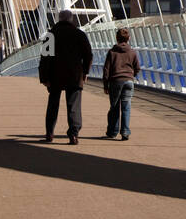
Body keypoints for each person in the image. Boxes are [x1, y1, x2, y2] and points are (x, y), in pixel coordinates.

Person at [38, 10, 92, 144]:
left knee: (53, 104)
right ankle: (74, 134)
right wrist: (85, 72)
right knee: (74, 105)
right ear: (71, 19)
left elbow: (44, 58)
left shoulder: (50, 35)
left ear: (58, 19)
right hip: (75, 75)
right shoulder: (79, 34)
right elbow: (88, 55)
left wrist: (44, 78)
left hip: (54, 75)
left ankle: (49, 133)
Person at [102, 28, 141, 141]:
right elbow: (137, 68)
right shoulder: (132, 52)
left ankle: (112, 132)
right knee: (126, 107)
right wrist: (131, 75)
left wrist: (105, 85)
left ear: (117, 38)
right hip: (129, 81)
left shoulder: (112, 52)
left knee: (114, 107)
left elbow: (106, 70)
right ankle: (125, 132)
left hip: (115, 81)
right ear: (128, 38)